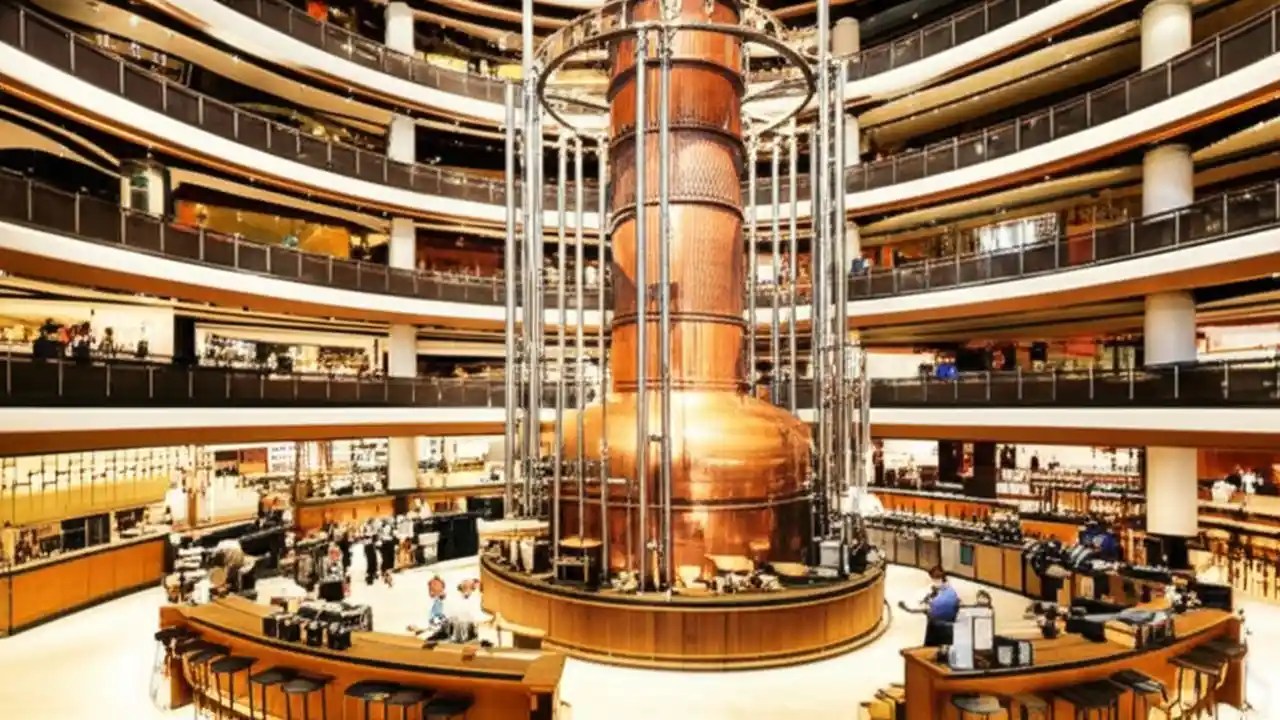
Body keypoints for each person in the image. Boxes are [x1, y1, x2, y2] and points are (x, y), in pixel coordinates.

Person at [920, 566, 960, 646]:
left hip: (938, 627)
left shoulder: (943, 592)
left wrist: (929, 608)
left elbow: (933, 609)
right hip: (950, 627)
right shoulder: (951, 590)